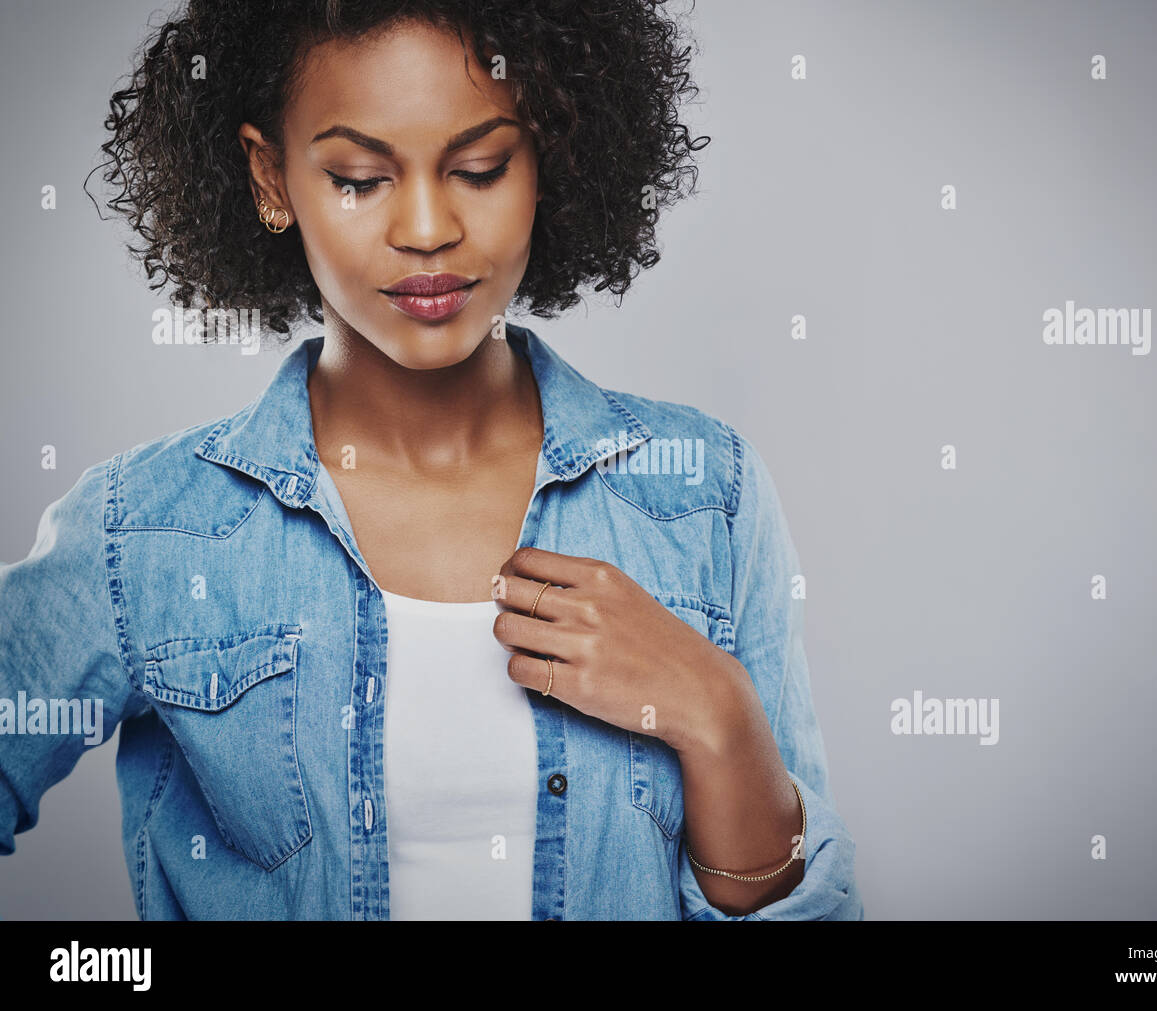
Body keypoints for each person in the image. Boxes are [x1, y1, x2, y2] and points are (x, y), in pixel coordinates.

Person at [0, 0, 861, 920]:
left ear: (548, 158)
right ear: (270, 174)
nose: (425, 226)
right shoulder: (145, 530)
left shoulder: (706, 494)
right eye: (361, 178)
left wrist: (719, 717)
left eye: (479, 167)